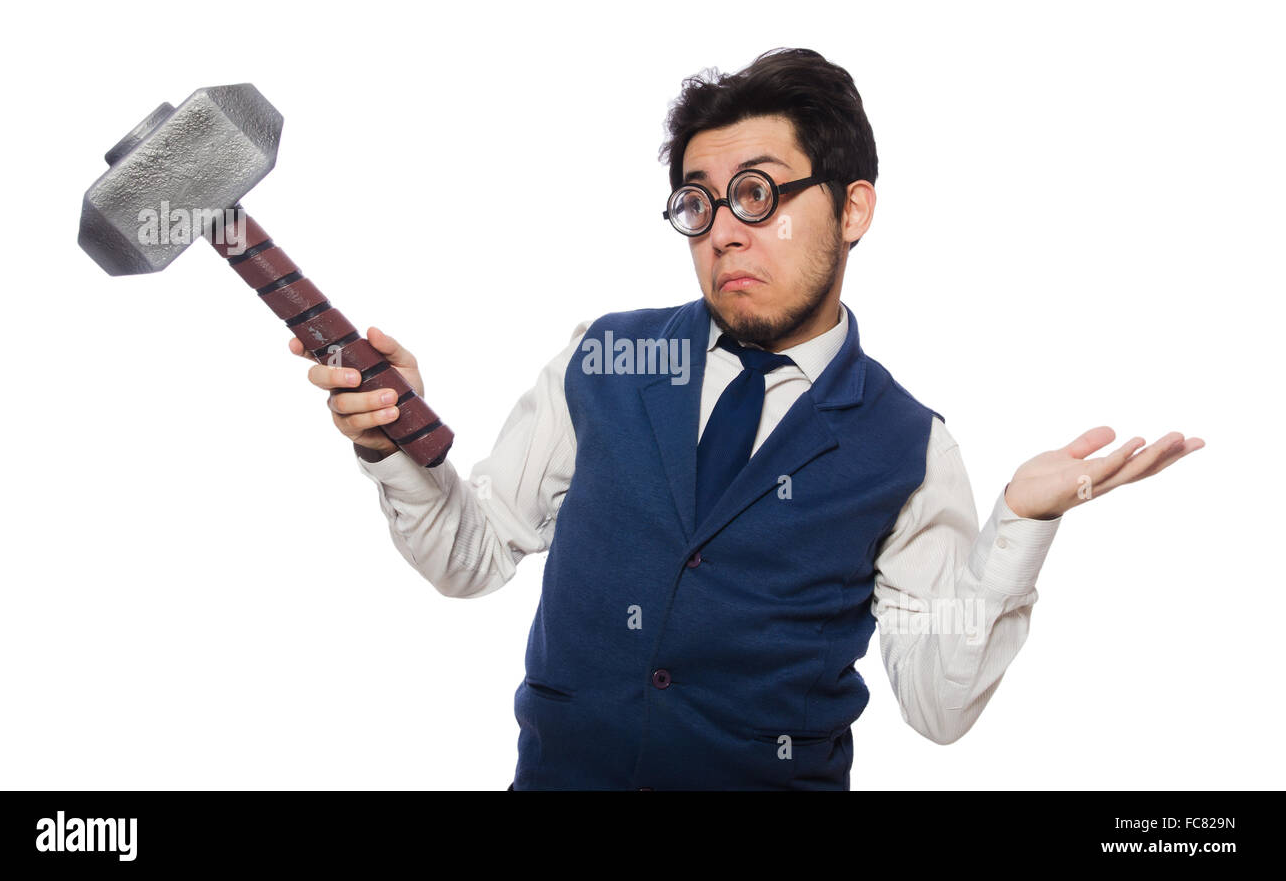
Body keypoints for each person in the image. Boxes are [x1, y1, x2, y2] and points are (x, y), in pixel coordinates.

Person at [290, 48, 1203, 790]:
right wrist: (392, 443)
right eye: (698, 202)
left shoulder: (910, 447)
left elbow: (938, 704)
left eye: (759, 194)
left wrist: (1021, 523)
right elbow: (473, 551)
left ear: (852, 209)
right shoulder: (605, 357)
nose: (723, 230)